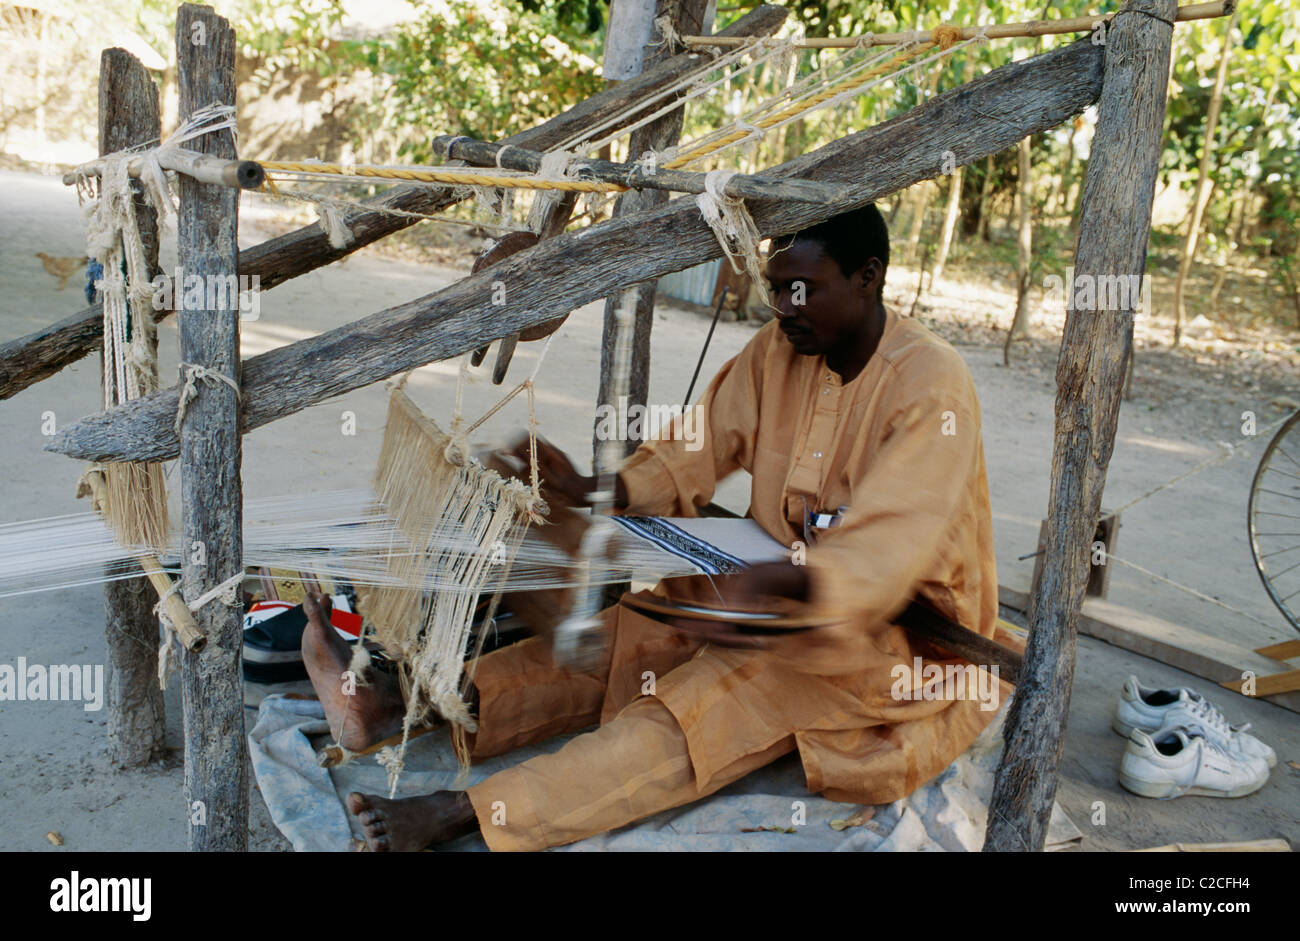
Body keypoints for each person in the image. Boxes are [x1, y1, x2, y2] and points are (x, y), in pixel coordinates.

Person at [301, 203, 1000, 851]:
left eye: (803, 289)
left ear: (868, 277)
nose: (781, 306)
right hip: (768, 586)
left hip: (885, 643)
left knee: (694, 707)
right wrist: (596, 488)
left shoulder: (931, 384)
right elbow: (694, 450)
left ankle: (471, 811)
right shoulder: (780, 349)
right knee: (627, 637)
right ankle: (398, 705)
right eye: (774, 285)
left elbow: (888, 548)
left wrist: (786, 587)